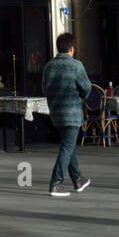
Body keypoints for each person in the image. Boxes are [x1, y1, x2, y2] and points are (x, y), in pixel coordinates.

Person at [41, 32, 92, 198]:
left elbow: (44, 89)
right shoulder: (76, 65)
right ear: (71, 48)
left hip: (56, 113)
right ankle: (56, 183)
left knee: (67, 145)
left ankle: (78, 179)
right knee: (67, 147)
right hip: (72, 113)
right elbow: (86, 88)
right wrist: (81, 97)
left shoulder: (48, 67)